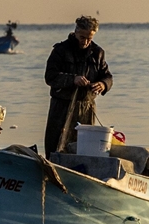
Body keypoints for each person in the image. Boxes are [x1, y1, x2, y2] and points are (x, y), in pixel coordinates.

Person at [44, 16, 113, 154]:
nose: (86, 42)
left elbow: (107, 76)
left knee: (84, 148)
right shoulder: (60, 50)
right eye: (82, 37)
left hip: (86, 107)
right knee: (55, 146)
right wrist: (72, 79)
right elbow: (50, 77)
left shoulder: (97, 53)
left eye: (89, 38)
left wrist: (103, 85)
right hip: (62, 106)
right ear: (76, 32)